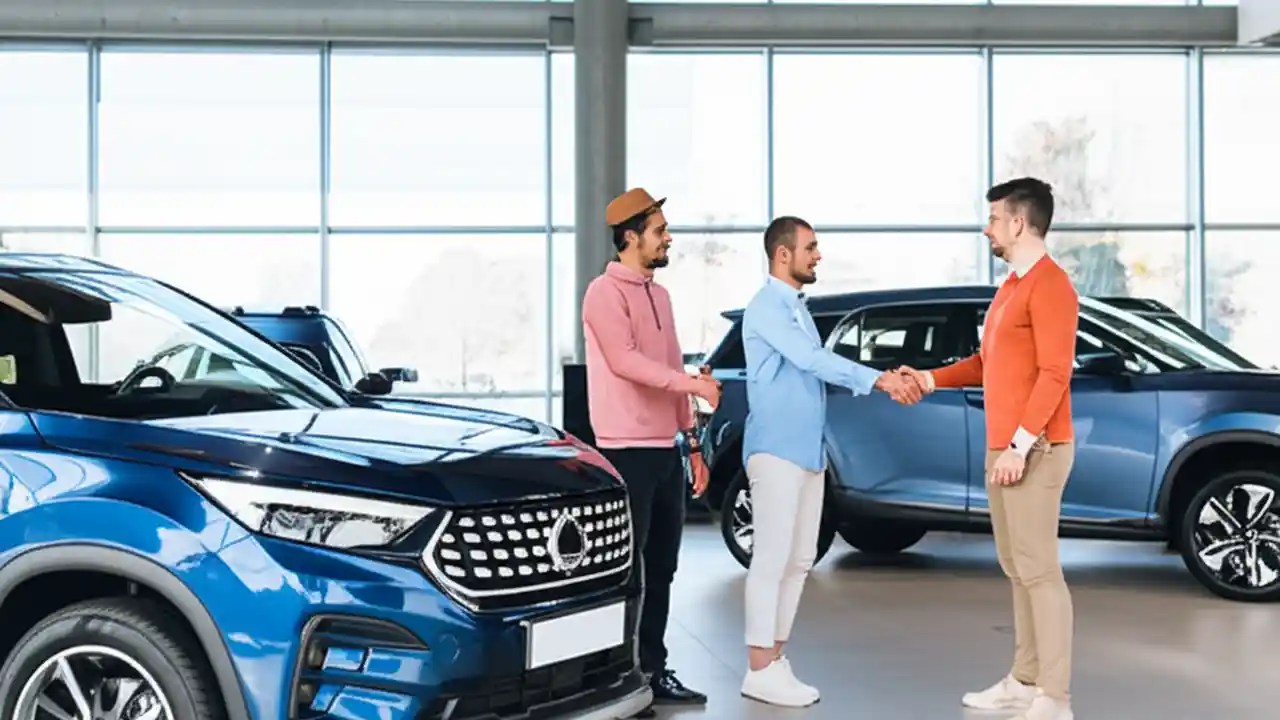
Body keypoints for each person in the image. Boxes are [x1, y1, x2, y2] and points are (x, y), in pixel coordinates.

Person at [898, 177, 1078, 720]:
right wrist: (930, 379)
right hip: (1005, 449)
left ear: (1020, 223)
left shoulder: (1051, 285)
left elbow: (1054, 374)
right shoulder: (1009, 288)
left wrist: (1021, 446)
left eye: (995, 219)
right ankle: (1025, 681)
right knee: (1017, 567)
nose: (988, 228)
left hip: (1036, 450)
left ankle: (1055, 697)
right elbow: (985, 364)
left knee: (1041, 571)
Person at [738, 216, 922, 708]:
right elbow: (811, 361)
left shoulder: (797, 307)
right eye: (810, 247)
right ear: (783, 255)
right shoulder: (766, 309)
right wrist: (879, 380)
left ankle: (775, 660)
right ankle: (758, 668)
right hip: (775, 450)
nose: (818, 255)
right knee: (772, 559)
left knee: (800, 559)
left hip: (807, 451)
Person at [581, 187, 719, 715]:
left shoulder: (659, 296)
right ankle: (613, 673)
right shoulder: (602, 292)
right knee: (625, 570)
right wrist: (692, 385)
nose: (668, 238)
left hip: (664, 450)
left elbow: (666, 363)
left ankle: (654, 668)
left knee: (662, 566)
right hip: (624, 451)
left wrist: (692, 442)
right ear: (631, 237)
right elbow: (627, 362)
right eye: (660, 230)